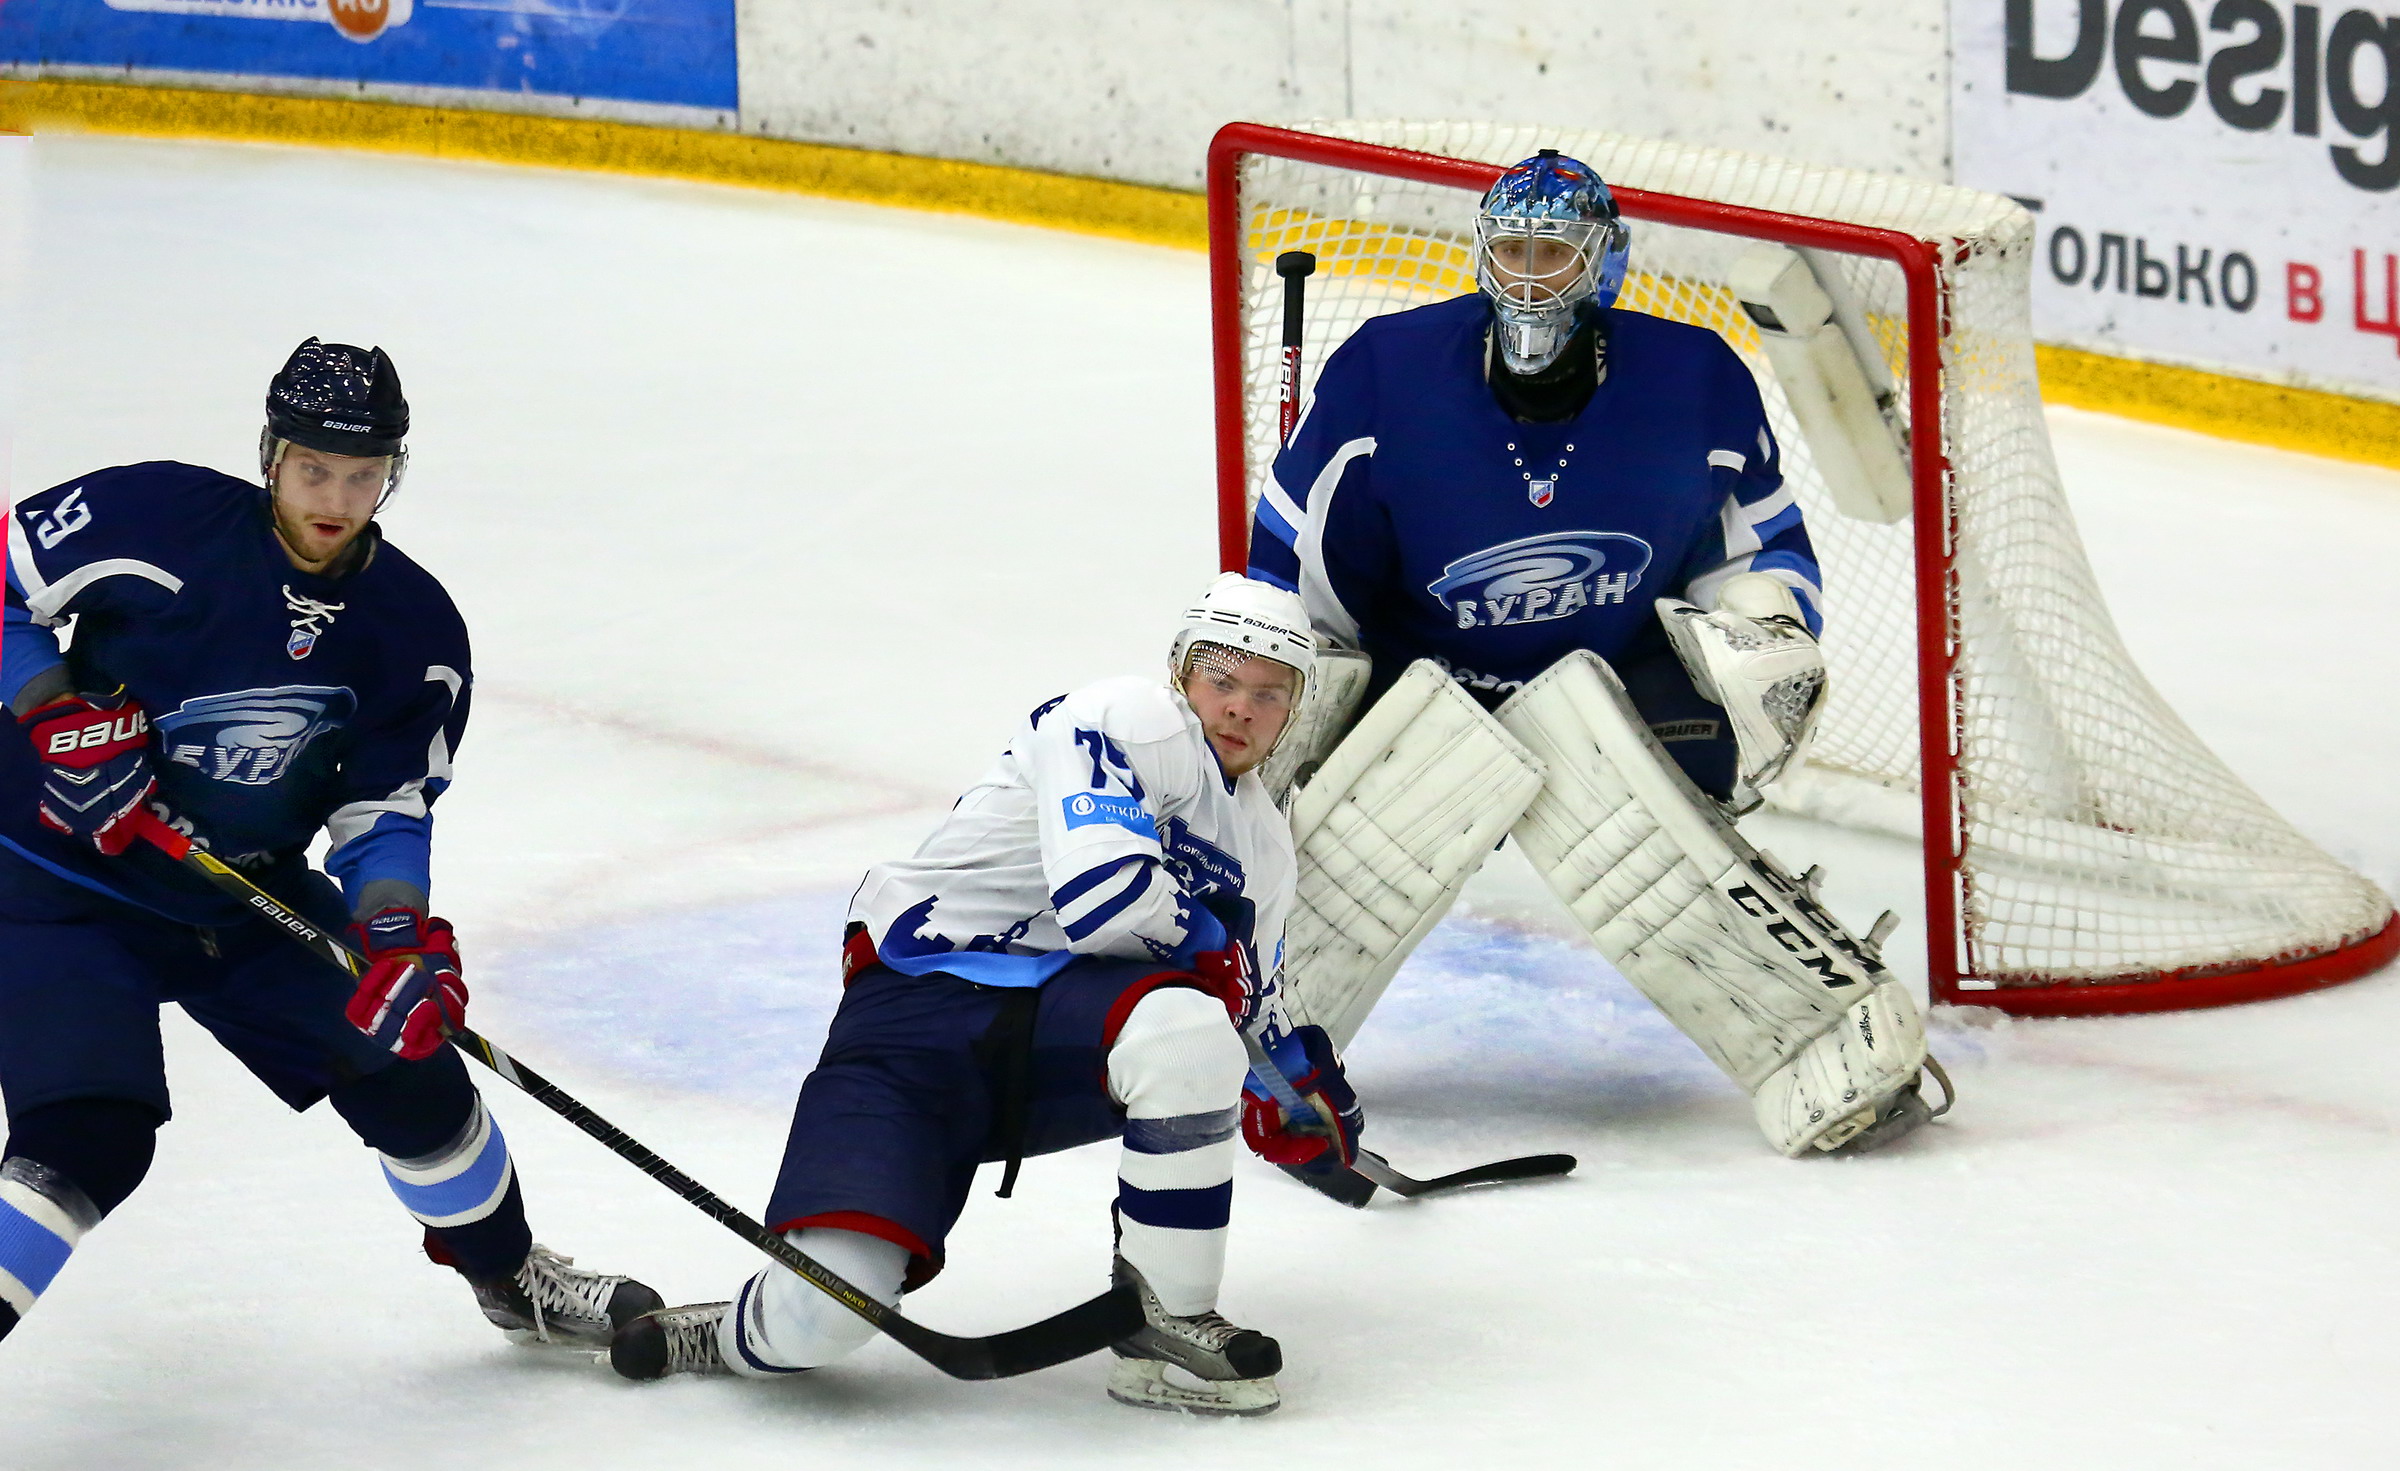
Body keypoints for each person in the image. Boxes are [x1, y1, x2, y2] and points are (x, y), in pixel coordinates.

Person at [1247, 152, 1944, 1157]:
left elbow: (1757, 548)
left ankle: (1823, 1041)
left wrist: (1767, 636)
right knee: (1367, 848)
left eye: (1557, 255)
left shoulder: (1697, 379)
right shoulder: (1383, 376)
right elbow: (1293, 566)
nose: (1532, 279)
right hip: (1420, 694)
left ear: (1606, 266)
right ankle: (1250, 1040)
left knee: (1644, 835)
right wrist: (1291, 687)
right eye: (1514, 251)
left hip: (1616, 694)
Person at [0, 338, 658, 1349]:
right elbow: (8, 581)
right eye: (314, 467)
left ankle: (509, 1275)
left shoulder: (413, 626)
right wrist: (49, 710)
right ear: (271, 454)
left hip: (240, 895)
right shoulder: (158, 518)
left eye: (363, 475)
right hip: (56, 878)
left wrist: (394, 933)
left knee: (416, 1075)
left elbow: (381, 808)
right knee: (90, 1134)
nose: (336, 497)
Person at [607, 574, 1359, 1418]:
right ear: (1181, 670)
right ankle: (727, 1327)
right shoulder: (1125, 720)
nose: (1239, 709)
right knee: (823, 1313)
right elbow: (1102, 891)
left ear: (1292, 709)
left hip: (1057, 1036)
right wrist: (1211, 946)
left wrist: (1295, 1088)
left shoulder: (1262, 845)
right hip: (921, 1015)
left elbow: (1254, 1006)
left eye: (1268, 693)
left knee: (1190, 1034)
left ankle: (1166, 1321)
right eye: (1221, 678)